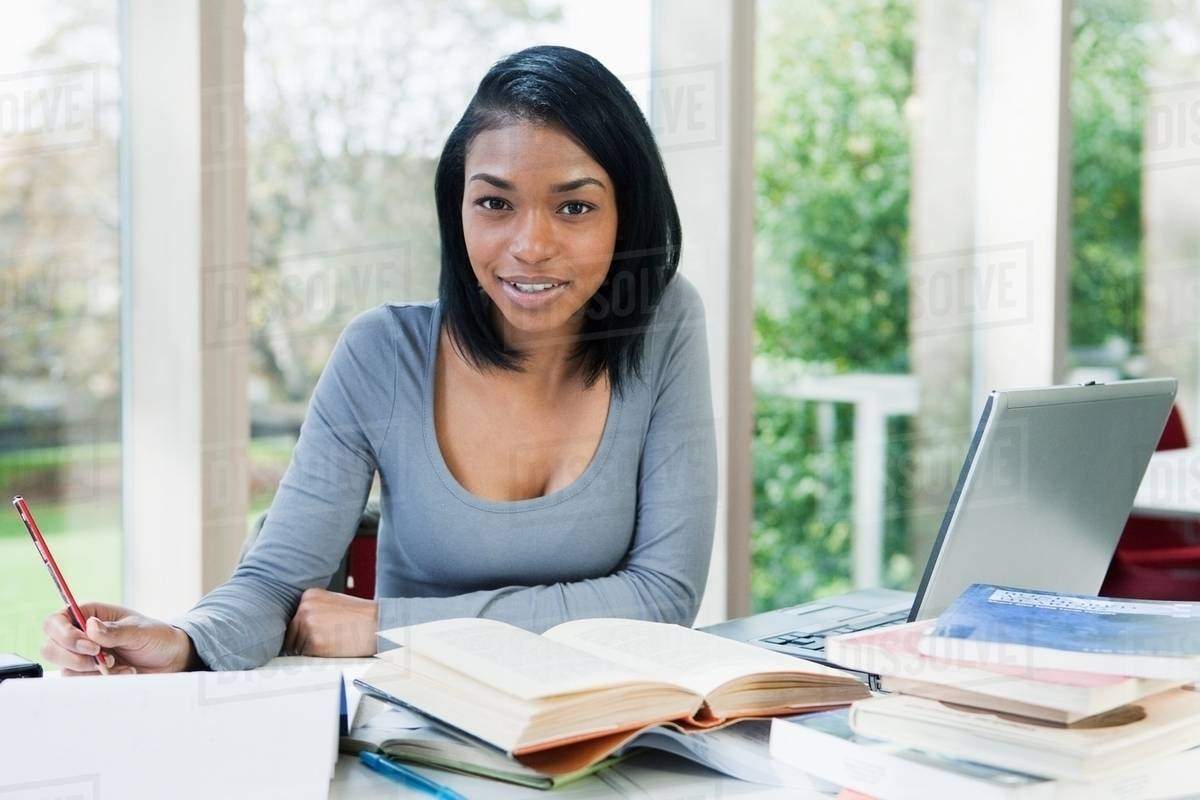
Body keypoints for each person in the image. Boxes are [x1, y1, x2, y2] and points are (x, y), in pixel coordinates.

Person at [40, 45, 717, 674]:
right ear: (456, 210)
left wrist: (390, 626)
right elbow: (278, 584)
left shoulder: (665, 323)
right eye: (494, 203)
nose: (530, 244)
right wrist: (185, 639)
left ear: (626, 214)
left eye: (574, 206)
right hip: (412, 730)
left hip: (601, 719)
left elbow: (663, 597)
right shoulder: (382, 354)